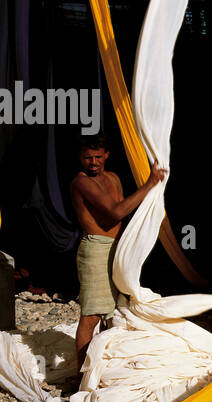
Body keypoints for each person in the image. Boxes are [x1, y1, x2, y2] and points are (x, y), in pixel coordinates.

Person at [69, 135, 166, 372]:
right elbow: (116, 212)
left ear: (106, 155)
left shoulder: (113, 178)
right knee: (91, 315)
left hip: (116, 248)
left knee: (112, 313)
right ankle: (81, 376)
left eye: (97, 157)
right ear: (80, 158)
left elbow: (125, 212)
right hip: (95, 250)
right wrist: (150, 183)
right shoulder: (81, 183)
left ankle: (101, 367)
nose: (93, 162)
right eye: (88, 158)